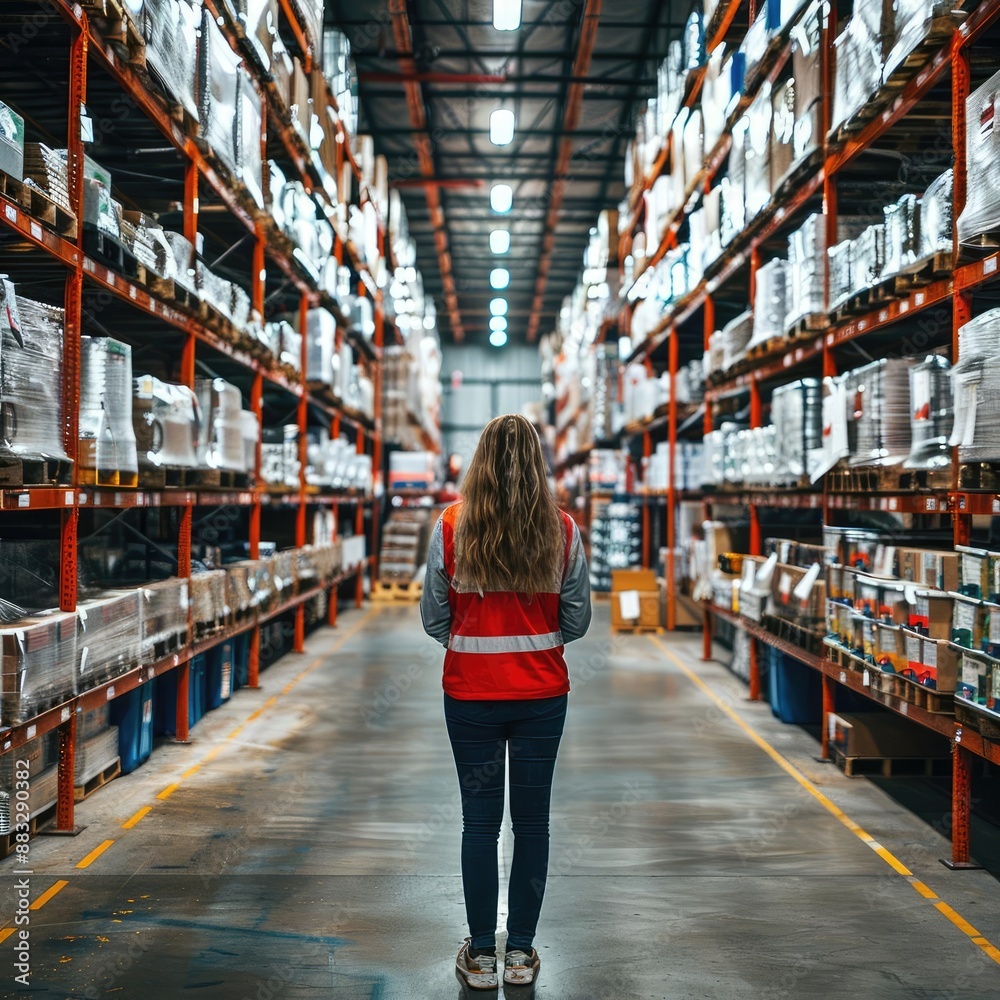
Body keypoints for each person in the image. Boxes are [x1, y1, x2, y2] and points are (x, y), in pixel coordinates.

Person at [420, 413, 592, 990]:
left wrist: (475, 646)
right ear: (538, 464)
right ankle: (520, 953)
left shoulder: (450, 527)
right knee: (533, 823)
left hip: (469, 696)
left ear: (481, 462)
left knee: (479, 824)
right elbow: (578, 619)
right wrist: (534, 648)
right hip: (542, 696)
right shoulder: (562, 530)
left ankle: (482, 958)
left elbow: (433, 618)